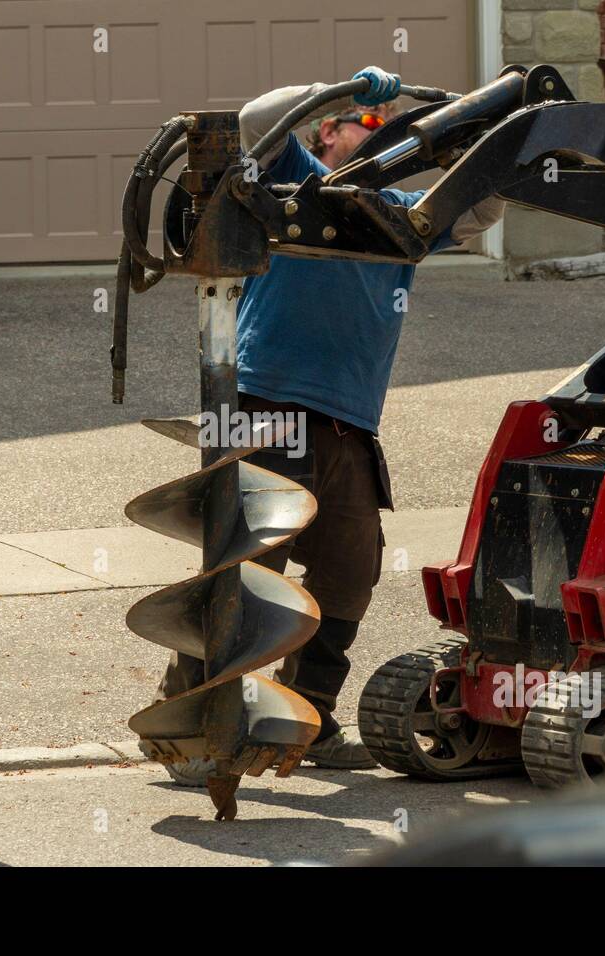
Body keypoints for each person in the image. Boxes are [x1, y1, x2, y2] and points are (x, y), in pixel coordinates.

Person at [159, 66, 504, 782]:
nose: (375, 135)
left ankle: (306, 721)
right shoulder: (294, 177)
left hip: (348, 424)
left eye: (383, 128)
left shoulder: (408, 216)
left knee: (351, 570)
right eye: (358, 126)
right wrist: (349, 89)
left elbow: (479, 210)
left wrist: (507, 137)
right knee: (249, 567)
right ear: (328, 133)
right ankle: (187, 720)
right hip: (265, 403)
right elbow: (255, 116)